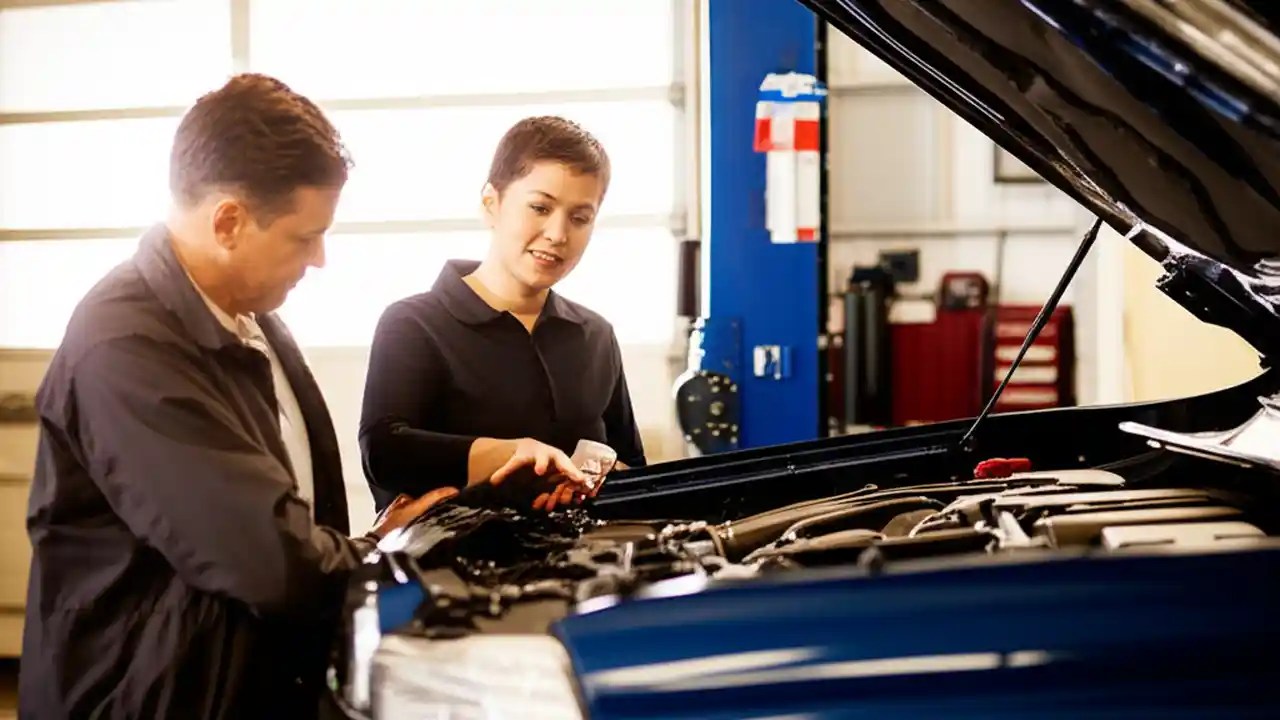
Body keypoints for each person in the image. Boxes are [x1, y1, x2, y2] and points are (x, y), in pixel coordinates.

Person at [17, 74, 565, 720]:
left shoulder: (245, 313)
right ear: (228, 222)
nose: (320, 259)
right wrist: (388, 552)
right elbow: (270, 564)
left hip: (236, 680)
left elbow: (279, 513)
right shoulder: (126, 350)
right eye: (305, 236)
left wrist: (371, 541)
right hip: (149, 695)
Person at [359, 115, 647, 514]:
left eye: (580, 218)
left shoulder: (595, 335)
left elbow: (631, 464)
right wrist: (515, 455)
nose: (558, 233)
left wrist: (591, 480)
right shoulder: (413, 324)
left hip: (584, 568)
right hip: (453, 569)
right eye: (540, 207)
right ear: (490, 204)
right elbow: (385, 452)